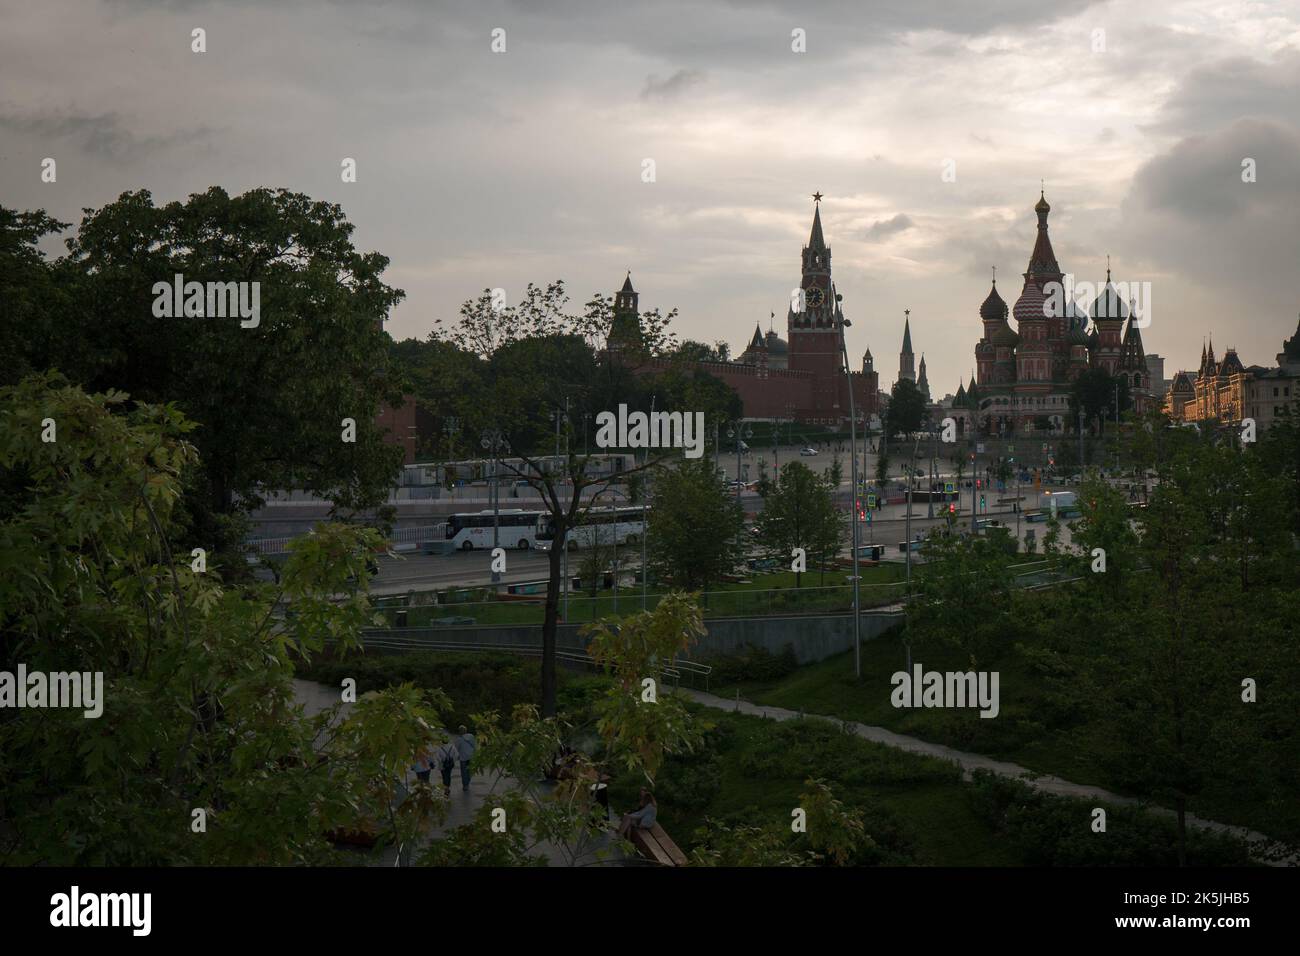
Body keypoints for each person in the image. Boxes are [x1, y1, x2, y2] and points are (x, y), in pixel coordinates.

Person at [455, 724, 476, 791]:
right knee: (469, 770)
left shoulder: (459, 739)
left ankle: (465, 785)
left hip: (463, 757)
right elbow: (474, 745)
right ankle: (467, 782)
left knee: (464, 772)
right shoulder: (471, 736)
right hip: (471, 756)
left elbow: (456, 748)